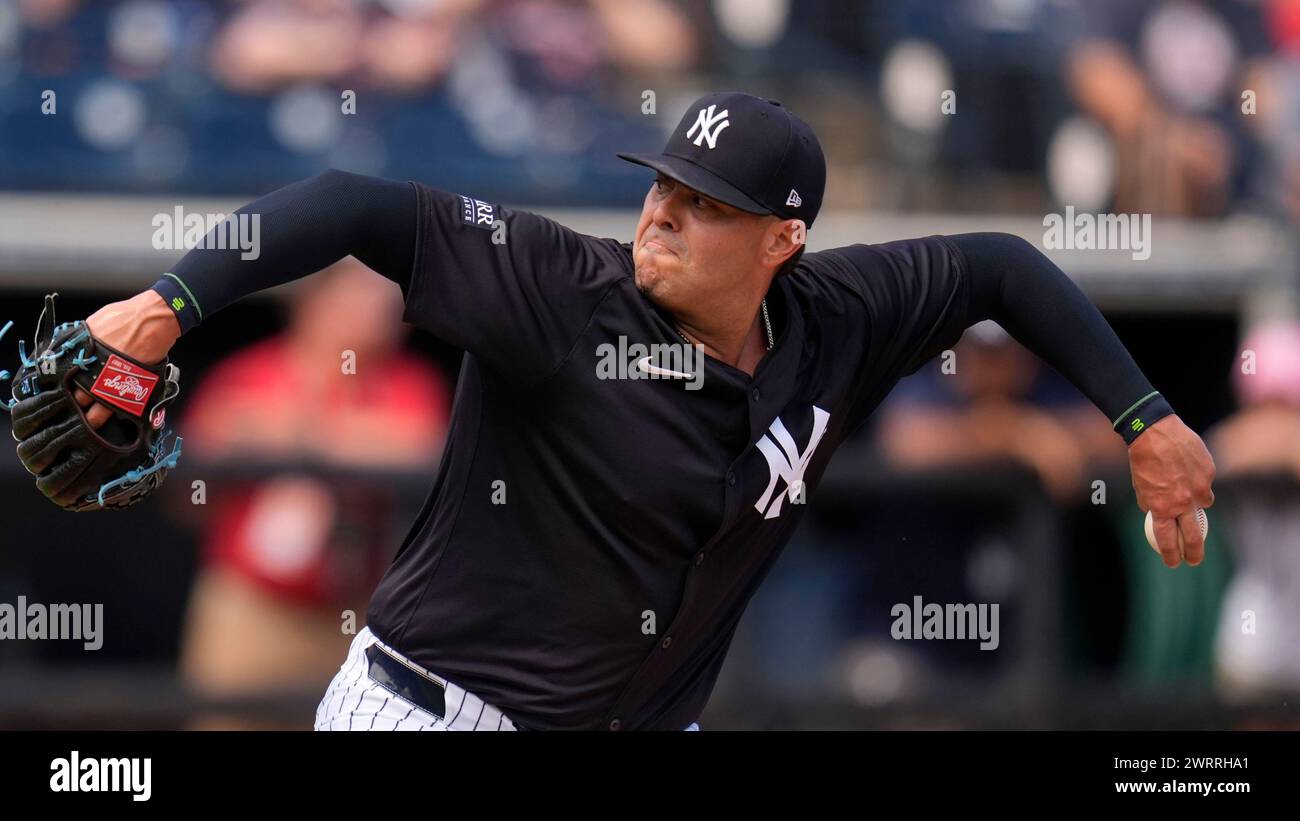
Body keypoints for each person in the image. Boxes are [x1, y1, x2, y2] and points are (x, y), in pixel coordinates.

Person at [57, 92, 1215, 731]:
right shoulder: (558, 289)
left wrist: (1144, 417)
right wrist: (171, 300)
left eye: (704, 202)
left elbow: (1003, 266)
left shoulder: (840, 314)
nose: (662, 210)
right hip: (437, 712)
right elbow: (354, 203)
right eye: (661, 181)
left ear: (780, 240)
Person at [177, 258, 451, 729]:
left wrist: (303, 433)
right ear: (316, 300)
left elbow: (423, 448)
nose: (382, 314)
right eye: (362, 297)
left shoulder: (409, 384)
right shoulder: (248, 372)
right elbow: (187, 491)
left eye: (391, 302)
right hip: (251, 608)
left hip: (358, 617)